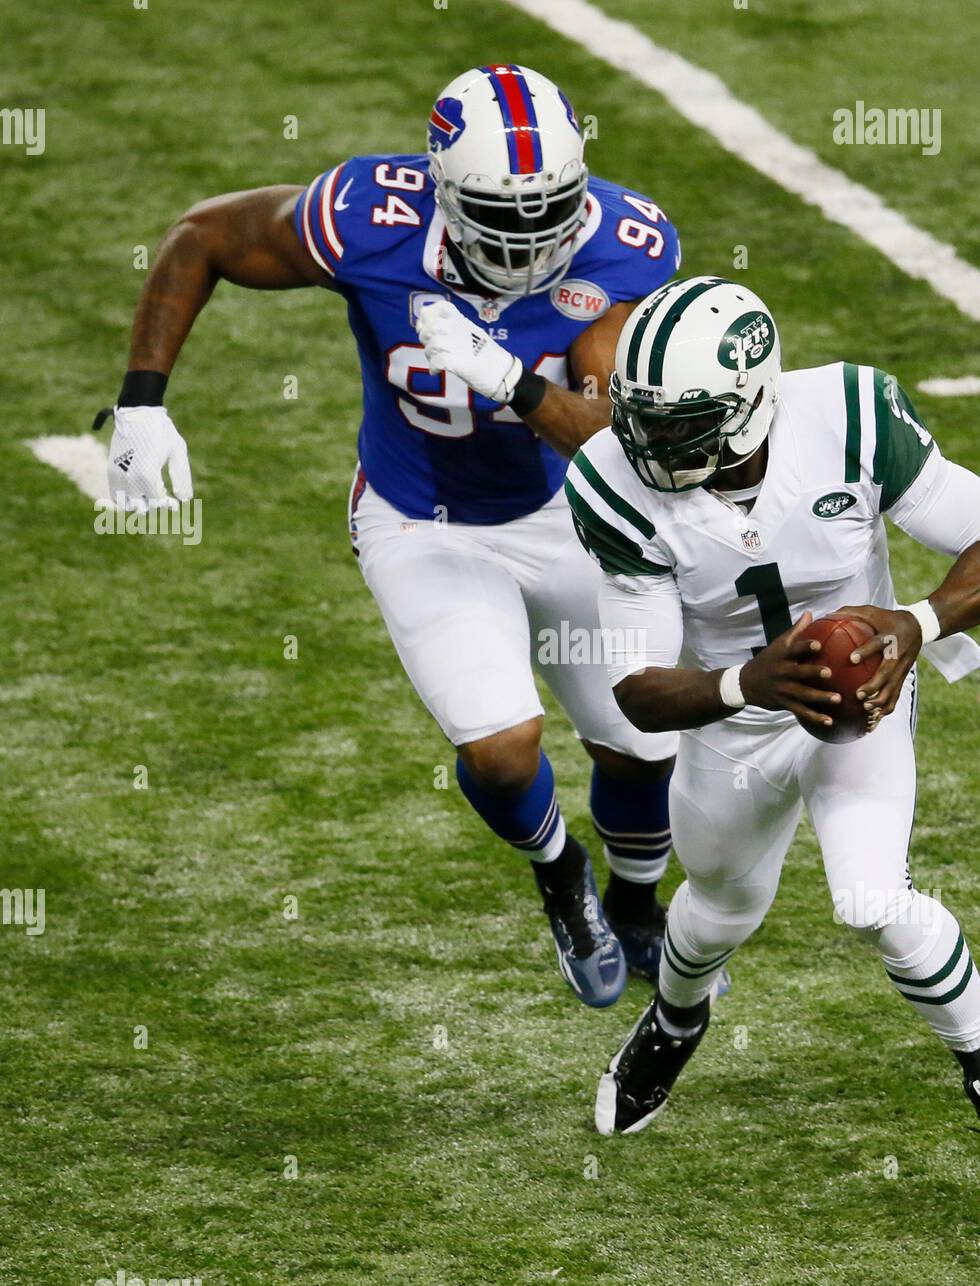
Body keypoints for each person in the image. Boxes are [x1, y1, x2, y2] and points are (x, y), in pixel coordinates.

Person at [96, 65, 688, 1007]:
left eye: (550, 210)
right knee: (501, 750)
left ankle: (638, 900)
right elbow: (200, 235)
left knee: (642, 740)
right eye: (507, 212)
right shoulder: (368, 216)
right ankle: (557, 871)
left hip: (569, 512)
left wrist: (511, 381)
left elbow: (617, 436)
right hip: (425, 520)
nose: (534, 236)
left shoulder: (622, 246)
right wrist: (141, 403)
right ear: (447, 195)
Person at [567, 276, 980, 1200]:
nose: (647, 442)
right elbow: (637, 690)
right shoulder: (608, 482)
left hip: (859, 701)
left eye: (679, 422)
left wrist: (916, 623)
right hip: (732, 718)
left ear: (753, 403)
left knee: (873, 899)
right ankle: (675, 1026)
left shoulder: (849, 410)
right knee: (720, 905)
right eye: (641, 417)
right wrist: (745, 682)